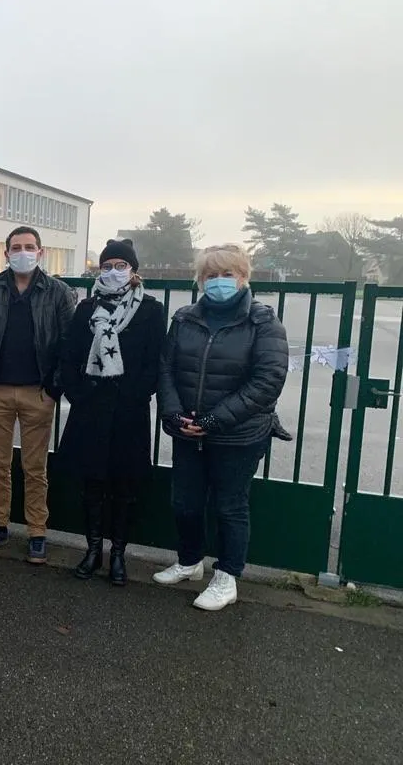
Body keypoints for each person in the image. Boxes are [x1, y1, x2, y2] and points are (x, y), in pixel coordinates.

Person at [155, 243, 288, 611]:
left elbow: (267, 380)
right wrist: (173, 413)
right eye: (210, 275)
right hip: (187, 430)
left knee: (230, 506)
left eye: (227, 274)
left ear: (243, 277)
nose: (218, 281)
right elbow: (166, 368)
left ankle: (227, 576)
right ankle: (189, 561)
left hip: (238, 435)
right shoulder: (185, 318)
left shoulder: (263, 322)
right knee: (185, 503)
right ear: (200, 281)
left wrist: (215, 420)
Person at [0, 226, 75, 563]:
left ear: (40, 252)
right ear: (6, 253)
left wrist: (54, 389)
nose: (22, 252)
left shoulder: (57, 292)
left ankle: (37, 530)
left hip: (38, 393)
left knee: (35, 468)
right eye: (16, 247)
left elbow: (69, 344)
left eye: (29, 247)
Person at [58, 239, 166, 585]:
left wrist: (136, 393)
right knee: (91, 484)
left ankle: (118, 553)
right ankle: (93, 549)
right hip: (91, 408)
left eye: (121, 265)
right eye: (107, 266)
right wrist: (78, 393)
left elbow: (156, 361)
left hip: (129, 410)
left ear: (133, 271)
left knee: (124, 486)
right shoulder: (87, 308)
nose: (114, 271)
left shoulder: (150, 309)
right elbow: (69, 355)